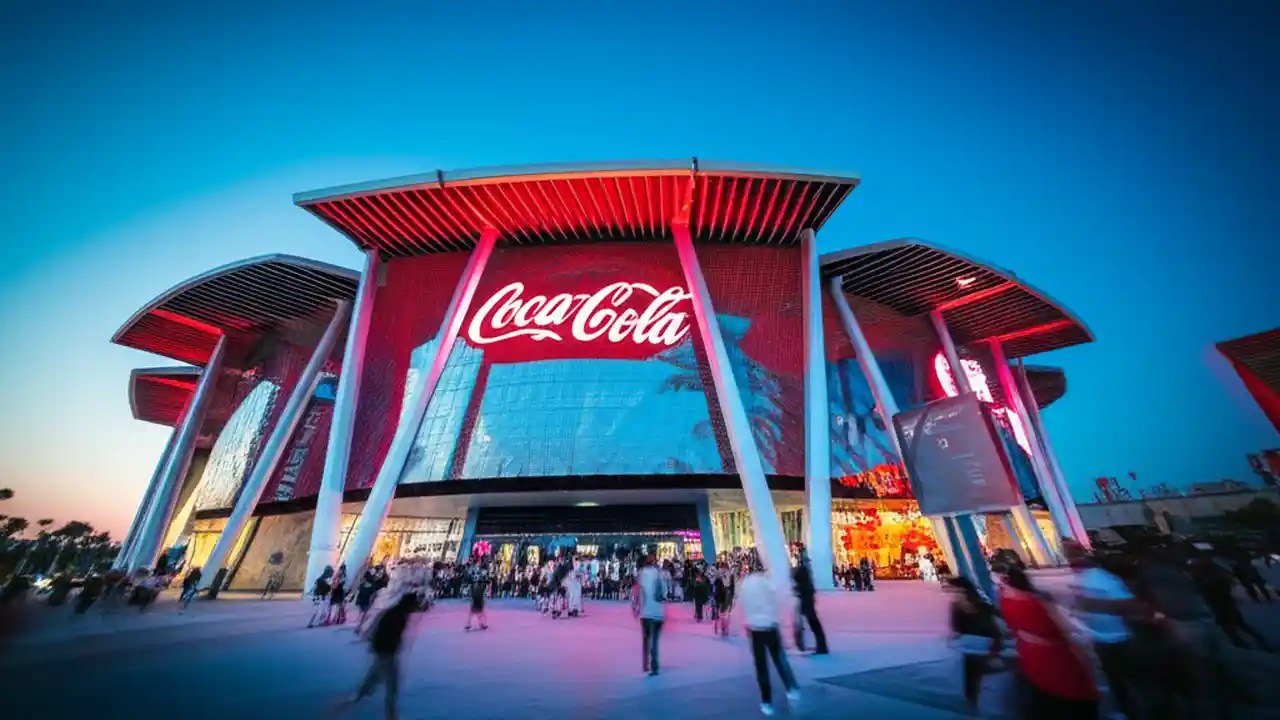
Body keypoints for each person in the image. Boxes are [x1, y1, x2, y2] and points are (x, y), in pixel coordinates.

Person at [999, 567, 1099, 719]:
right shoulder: (1037, 601)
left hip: (1029, 652)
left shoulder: (1005, 600)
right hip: (1054, 654)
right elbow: (1063, 628)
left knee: (1043, 693)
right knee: (1071, 691)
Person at [1065, 541, 1144, 720]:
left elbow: (1079, 608)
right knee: (1131, 682)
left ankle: (1129, 711)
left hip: (1106, 638)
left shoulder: (1084, 581)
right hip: (1118, 637)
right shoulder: (1105, 579)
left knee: (1119, 681)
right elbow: (1129, 605)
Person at [335, 592, 418, 720]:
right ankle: (390, 715)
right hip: (387, 652)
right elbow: (388, 634)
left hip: (382, 651)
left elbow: (378, 629)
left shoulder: (393, 612)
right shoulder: (398, 616)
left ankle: (356, 697)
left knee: (374, 678)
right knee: (391, 684)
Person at [740, 560, 800, 716]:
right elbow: (775, 601)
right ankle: (790, 688)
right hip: (770, 627)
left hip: (754, 629)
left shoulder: (744, 585)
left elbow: (744, 605)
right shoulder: (767, 583)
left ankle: (766, 701)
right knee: (779, 659)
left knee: (761, 666)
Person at [947, 577, 1003, 716]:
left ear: (963, 590)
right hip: (971, 646)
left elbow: (993, 627)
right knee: (971, 676)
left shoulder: (982, 605)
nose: (952, 593)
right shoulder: (956, 606)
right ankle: (972, 702)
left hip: (987, 643)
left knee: (978, 674)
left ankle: (976, 701)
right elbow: (956, 627)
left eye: (954, 590)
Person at [632, 553, 666, 676]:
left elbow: (636, 592)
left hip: (646, 612)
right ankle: (654, 665)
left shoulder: (641, 574)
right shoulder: (659, 573)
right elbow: (665, 592)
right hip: (658, 613)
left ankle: (646, 664)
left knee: (646, 639)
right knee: (655, 640)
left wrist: (635, 608)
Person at [792, 547, 829, 655]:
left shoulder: (803, 572)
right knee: (814, 626)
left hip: (807, 606)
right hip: (808, 605)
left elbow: (798, 577)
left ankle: (820, 647)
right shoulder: (807, 574)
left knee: (813, 625)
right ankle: (820, 646)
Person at [354, 566, 382, 635]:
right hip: (366, 597)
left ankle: (359, 627)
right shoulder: (372, 581)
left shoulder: (366, 581)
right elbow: (372, 592)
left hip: (364, 597)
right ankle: (359, 627)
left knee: (362, 613)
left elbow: (360, 589)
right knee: (363, 613)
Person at [465, 565, 489, 631]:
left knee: (475, 612)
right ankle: (480, 624)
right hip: (478, 598)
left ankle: (471, 624)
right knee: (480, 612)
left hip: (477, 598)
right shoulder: (478, 584)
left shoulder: (477, 583)